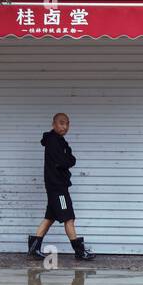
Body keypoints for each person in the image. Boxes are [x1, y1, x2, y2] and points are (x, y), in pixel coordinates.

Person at [29, 112, 94, 261]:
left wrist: (68, 159)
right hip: (58, 188)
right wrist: (67, 159)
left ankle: (34, 248)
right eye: (61, 123)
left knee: (49, 218)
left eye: (67, 123)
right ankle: (79, 252)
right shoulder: (53, 141)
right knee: (69, 217)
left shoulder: (59, 141)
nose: (65, 126)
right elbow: (65, 161)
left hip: (56, 186)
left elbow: (69, 159)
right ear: (54, 124)